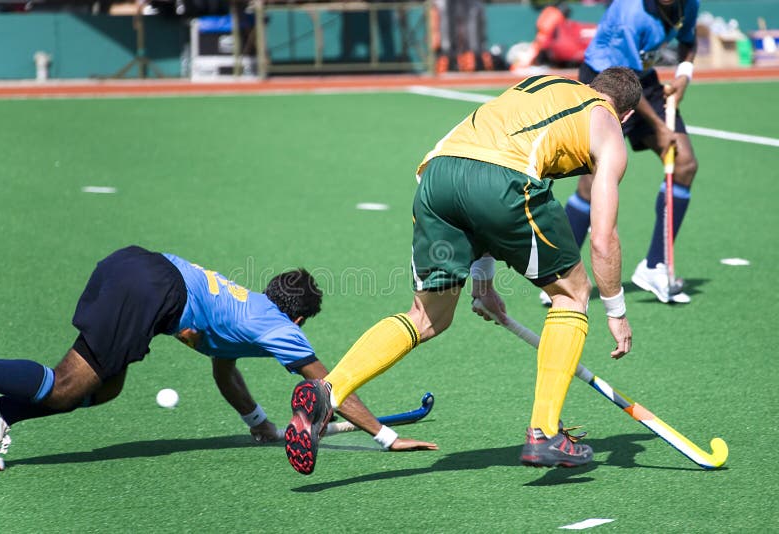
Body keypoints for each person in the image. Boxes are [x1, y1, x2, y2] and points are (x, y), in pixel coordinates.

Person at [285, 68, 640, 475]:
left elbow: (480, 183)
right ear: (627, 115)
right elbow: (602, 238)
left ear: (591, 86)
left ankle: (328, 391)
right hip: (503, 180)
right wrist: (616, 311)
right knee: (572, 294)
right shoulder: (609, 128)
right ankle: (544, 432)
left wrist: (483, 283)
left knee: (427, 316)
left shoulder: (548, 86)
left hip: (438, 176)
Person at [0, 245, 436, 472]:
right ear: (299, 318)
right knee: (64, 387)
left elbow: (225, 372)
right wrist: (386, 437)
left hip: (133, 265)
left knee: (106, 387)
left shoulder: (248, 307)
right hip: (151, 290)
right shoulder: (281, 330)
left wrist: (258, 422)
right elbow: (331, 388)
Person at [559, 0, 700, 304]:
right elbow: (626, 83)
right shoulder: (630, 13)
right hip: (603, 83)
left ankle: (655, 266)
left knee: (684, 164)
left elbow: (688, 40)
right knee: (590, 182)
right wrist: (660, 128)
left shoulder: (688, 4)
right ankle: (561, 275)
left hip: (642, 81)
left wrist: (683, 76)